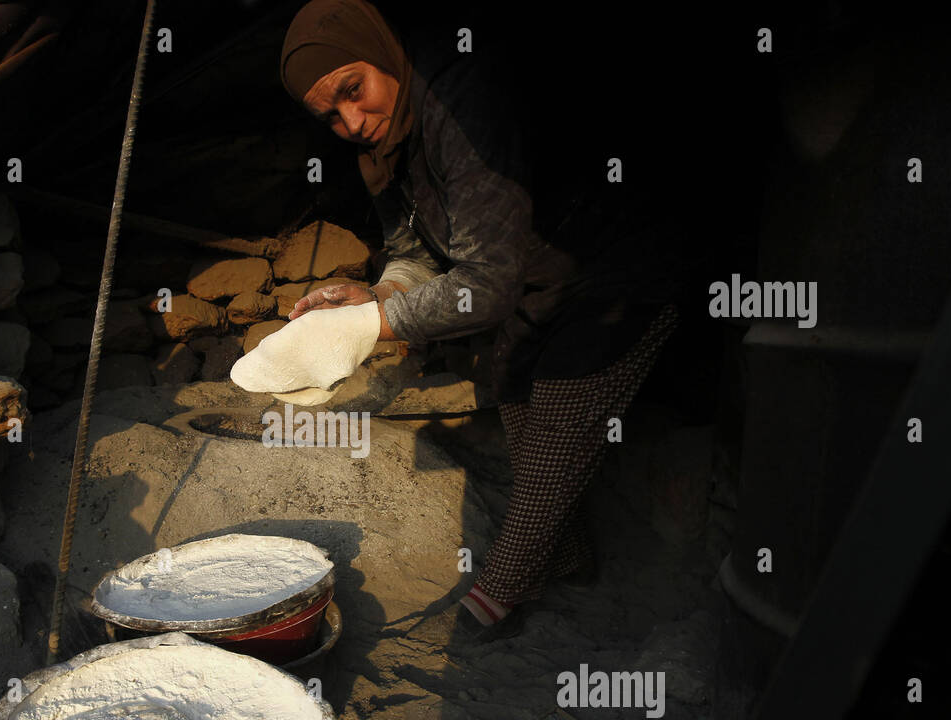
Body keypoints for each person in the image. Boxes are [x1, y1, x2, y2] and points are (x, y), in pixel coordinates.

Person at [241, 0, 686, 638]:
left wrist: (369, 327)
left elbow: (486, 282)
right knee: (517, 406)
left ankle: (496, 596)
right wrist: (373, 296)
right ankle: (569, 557)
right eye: (330, 116)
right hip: (535, 278)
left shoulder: (465, 97)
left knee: (558, 428)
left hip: (616, 265)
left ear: (379, 49)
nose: (352, 121)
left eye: (353, 91)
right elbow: (414, 252)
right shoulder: (383, 149)